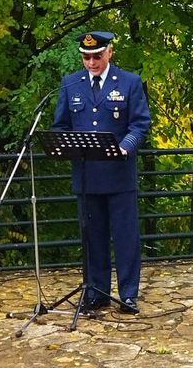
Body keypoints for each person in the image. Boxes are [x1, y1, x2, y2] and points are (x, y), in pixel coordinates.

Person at [53, 31, 151, 313]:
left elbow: (141, 124)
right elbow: (61, 126)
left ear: (109, 53)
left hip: (119, 174)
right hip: (87, 176)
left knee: (125, 237)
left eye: (97, 56)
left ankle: (128, 294)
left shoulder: (130, 82)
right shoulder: (70, 84)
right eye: (86, 58)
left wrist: (125, 147)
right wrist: (65, 147)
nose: (92, 62)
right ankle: (96, 292)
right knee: (92, 236)